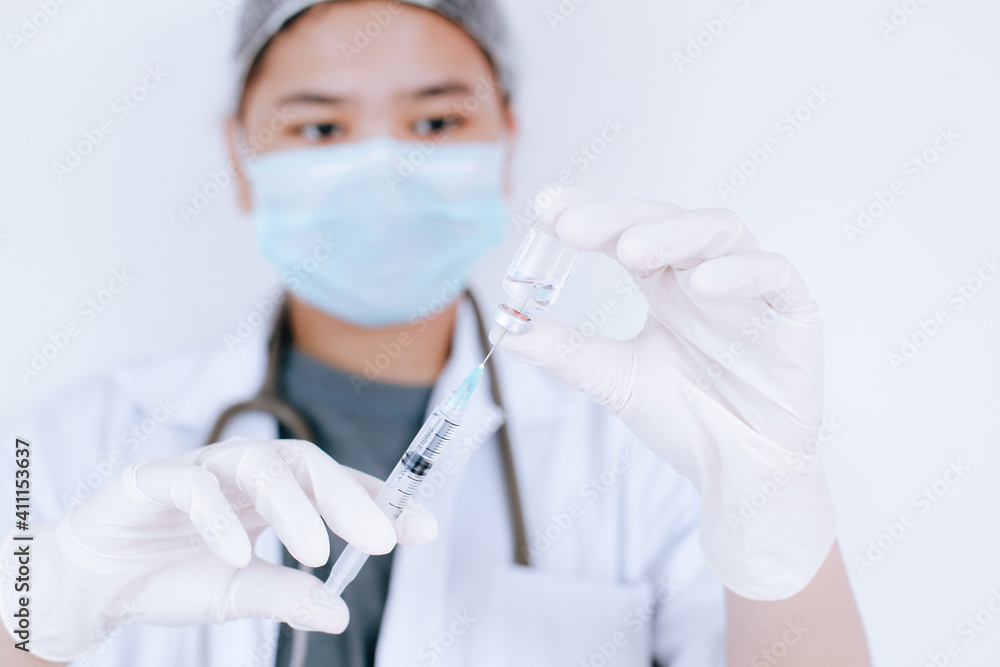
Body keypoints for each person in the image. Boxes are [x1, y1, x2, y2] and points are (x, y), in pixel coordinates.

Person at [1, 0, 871, 665]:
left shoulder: (654, 444)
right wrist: (32, 620)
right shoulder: (69, 442)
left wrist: (775, 520)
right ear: (239, 155)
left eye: (435, 122)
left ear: (506, 141)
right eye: (320, 126)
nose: (385, 167)